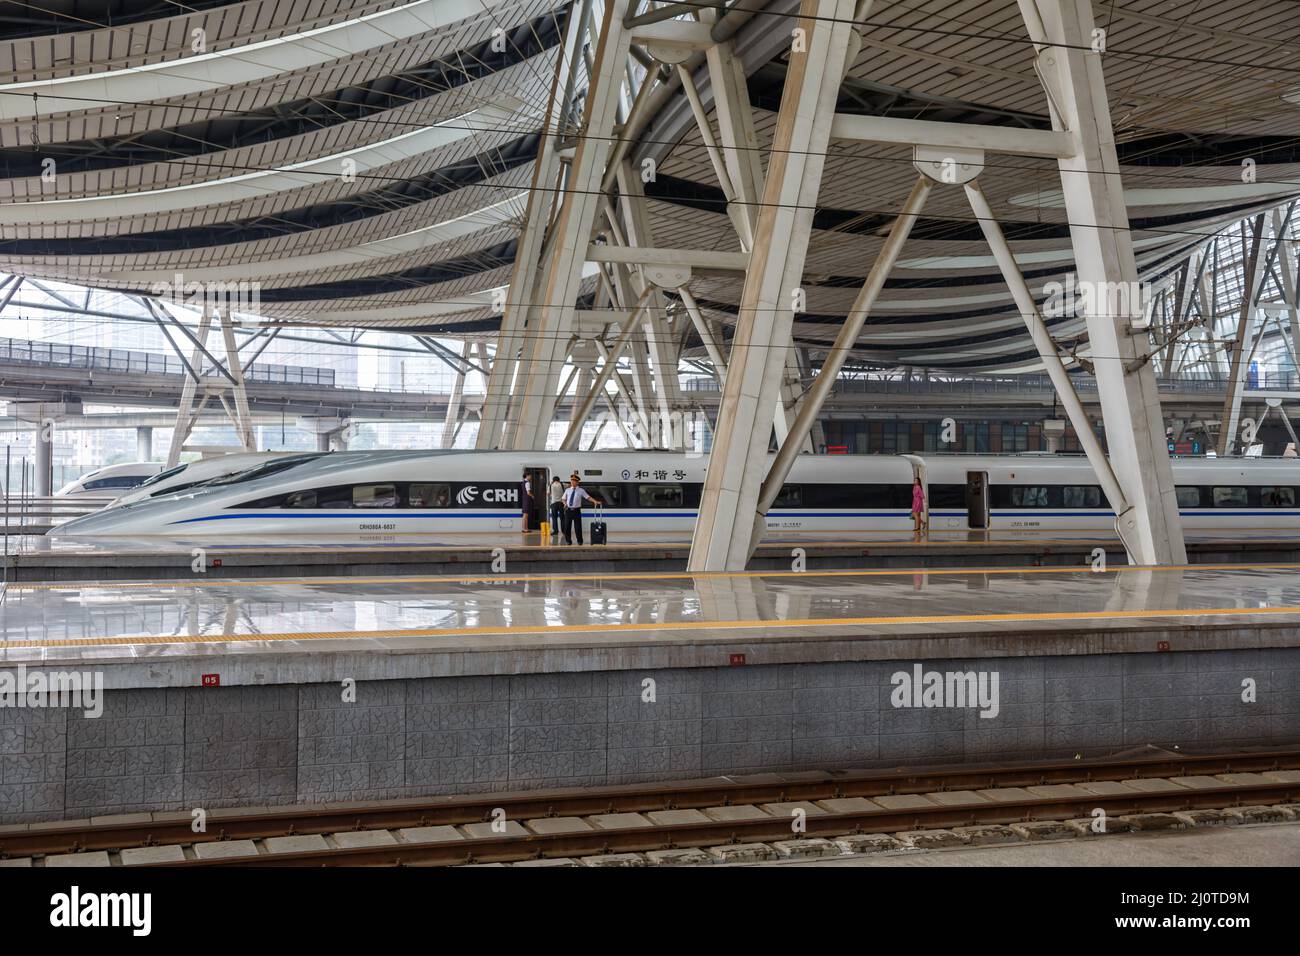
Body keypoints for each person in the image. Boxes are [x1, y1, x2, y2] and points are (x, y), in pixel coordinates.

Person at [561, 473, 602, 545]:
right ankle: (568, 541)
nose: (572, 482)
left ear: (577, 482)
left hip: (576, 510)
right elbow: (563, 499)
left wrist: (595, 501)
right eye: (571, 481)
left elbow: (588, 497)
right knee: (567, 527)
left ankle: (579, 541)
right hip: (568, 510)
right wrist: (565, 504)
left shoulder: (581, 490)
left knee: (578, 527)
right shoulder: (567, 490)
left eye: (574, 481)